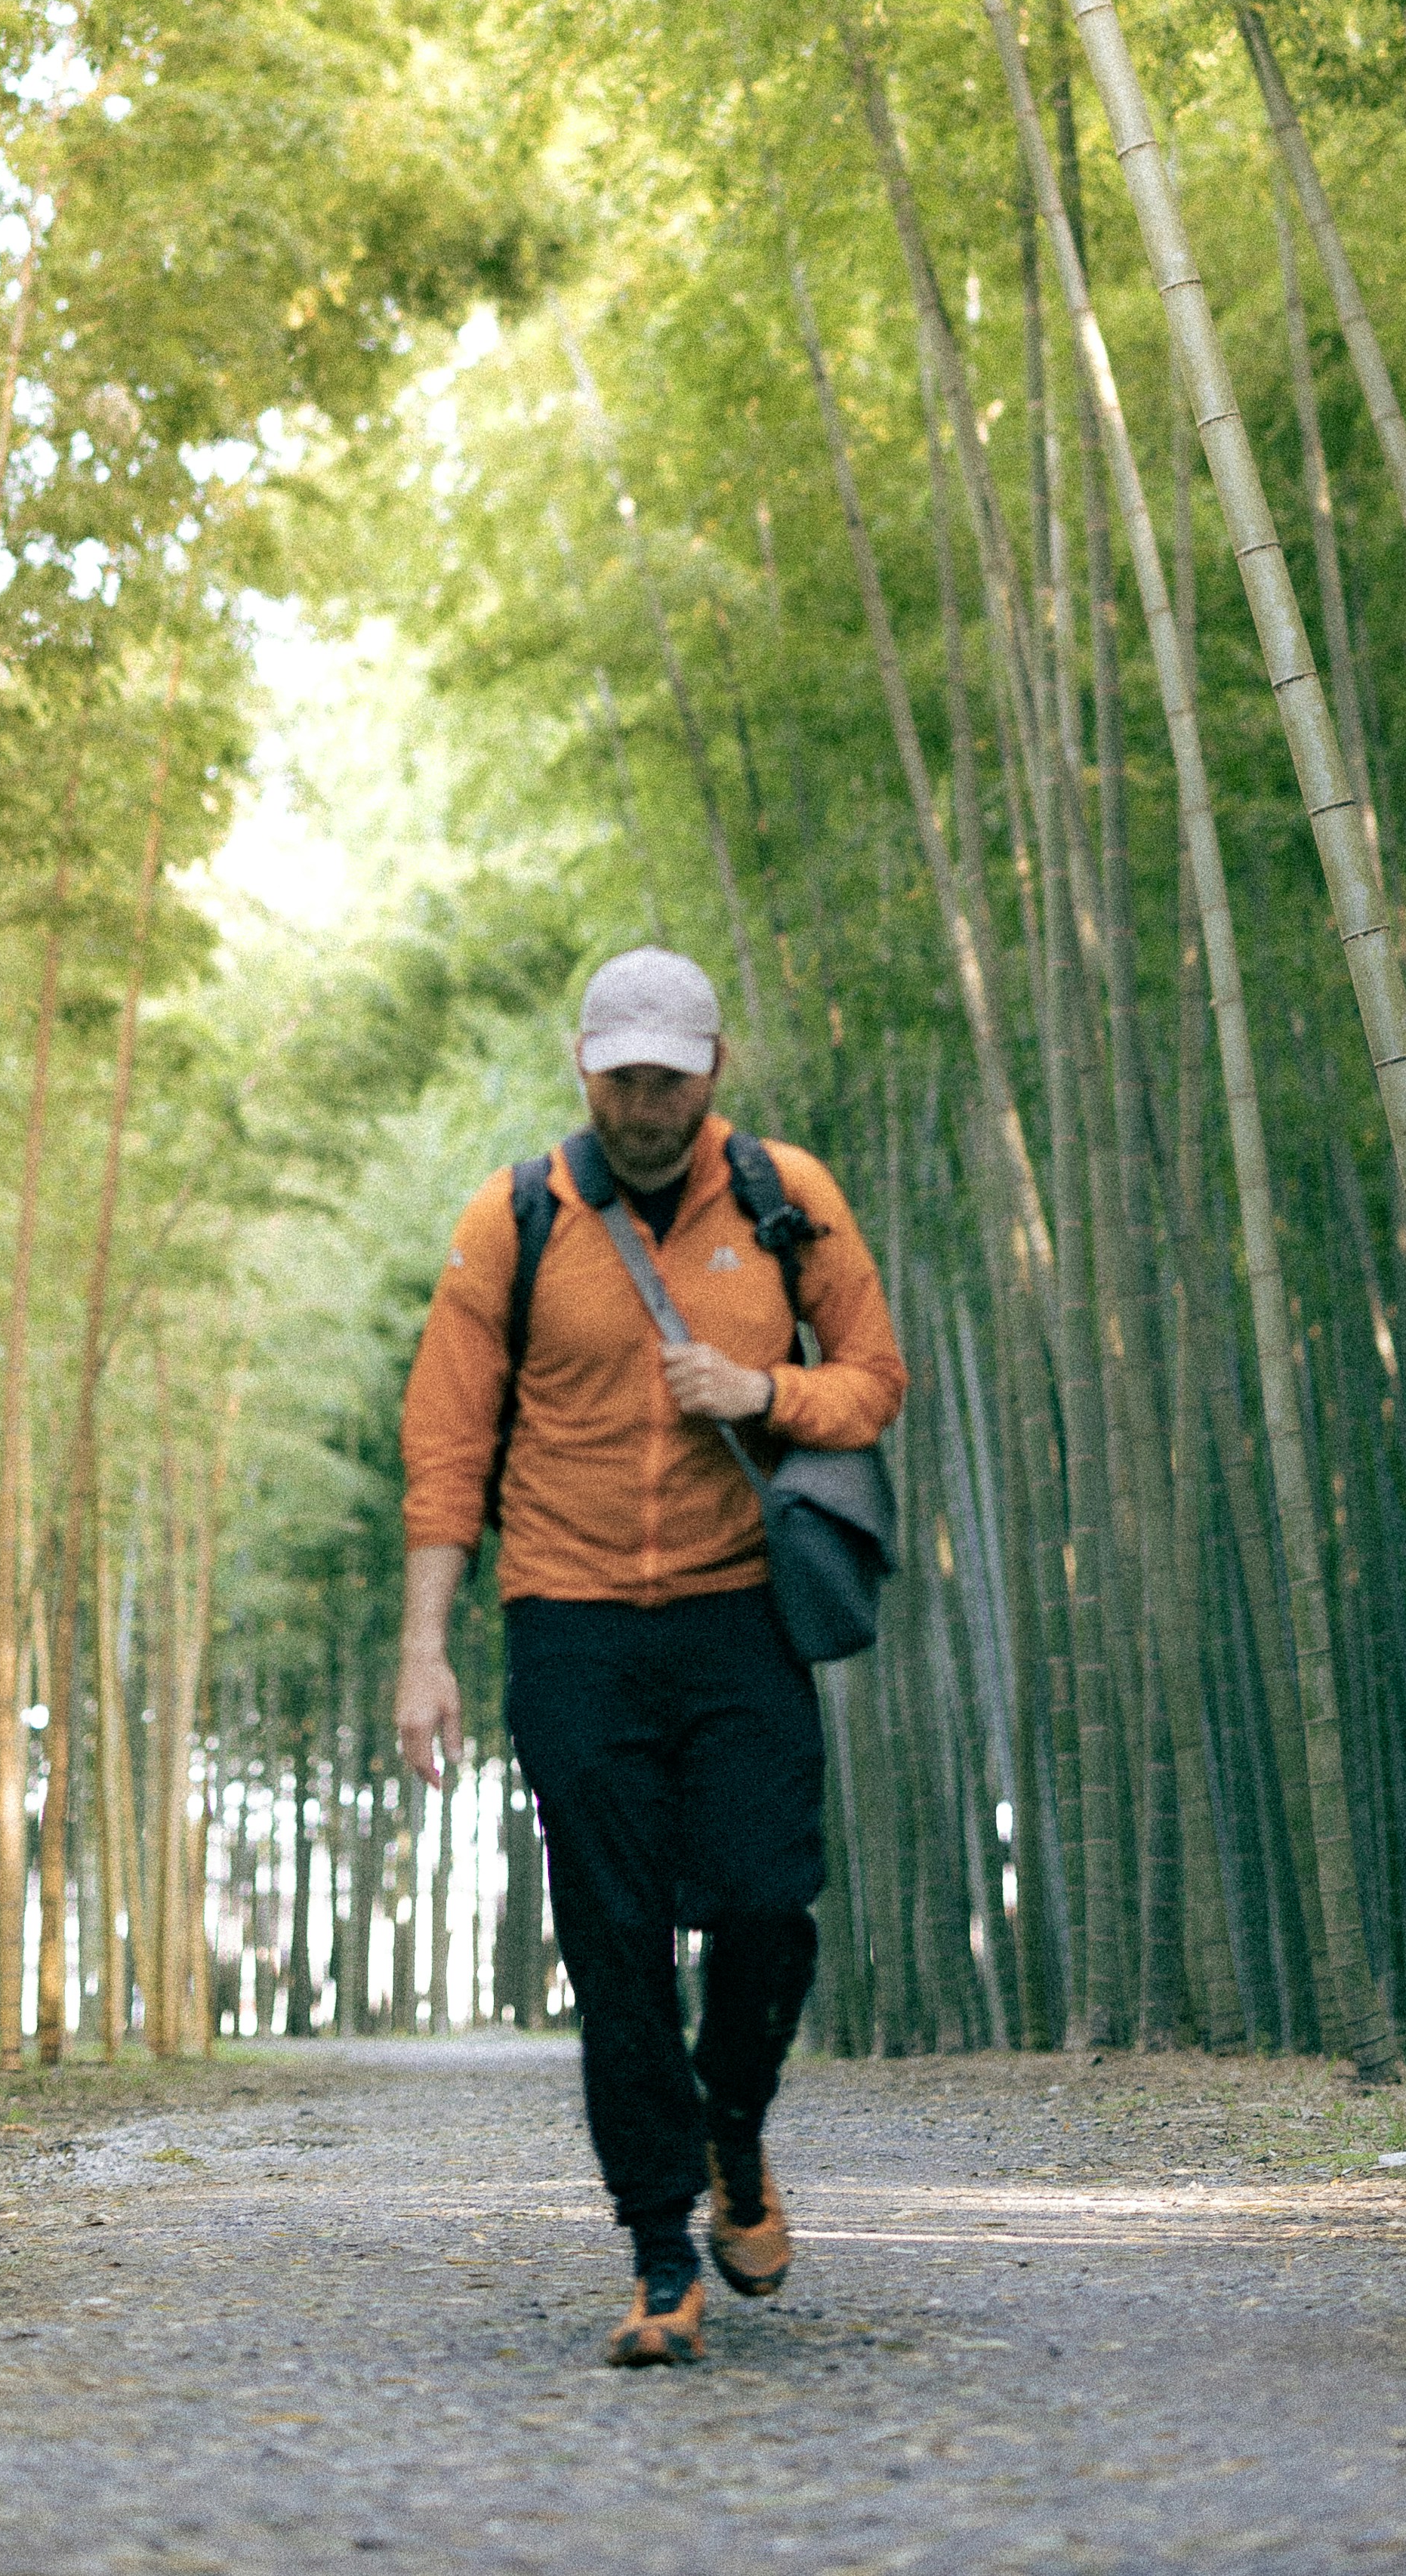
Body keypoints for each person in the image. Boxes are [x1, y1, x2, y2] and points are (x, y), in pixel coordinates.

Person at [396, 945, 907, 2368]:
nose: (642, 1103)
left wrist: (761, 1388)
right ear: (583, 1067)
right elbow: (446, 1443)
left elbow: (873, 1379)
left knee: (766, 1905)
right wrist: (424, 1648)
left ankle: (733, 2123)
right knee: (614, 1941)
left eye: (667, 1079)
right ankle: (659, 2251)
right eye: (620, 1077)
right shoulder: (513, 1217)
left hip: (739, 1610)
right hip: (568, 1621)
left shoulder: (785, 1197)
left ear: (712, 1072)